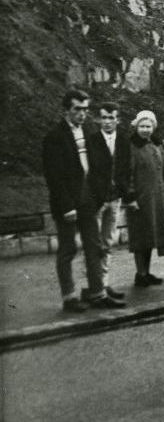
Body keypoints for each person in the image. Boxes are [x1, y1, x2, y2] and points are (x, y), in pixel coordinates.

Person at [41, 89, 124, 312]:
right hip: (67, 203)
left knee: (94, 247)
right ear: (66, 110)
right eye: (77, 109)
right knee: (68, 249)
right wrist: (67, 206)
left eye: (86, 109)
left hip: (89, 200)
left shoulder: (88, 131)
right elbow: (54, 177)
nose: (82, 114)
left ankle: (97, 293)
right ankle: (69, 297)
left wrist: (99, 194)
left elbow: (98, 165)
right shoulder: (55, 137)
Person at [115, 110, 164, 286]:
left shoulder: (156, 145)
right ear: (136, 126)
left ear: (153, 127)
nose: (145, 130)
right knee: (141, 236)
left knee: (151, 236)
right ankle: (140, 274)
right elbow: (127, 173)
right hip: (140, 198)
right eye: (142, 126)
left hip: (156, 197)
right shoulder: (131, 146)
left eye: (148, 126)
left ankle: (146, 272)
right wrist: (130, 197)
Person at [92, 102, 126, 302]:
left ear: (117, 120)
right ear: (99, 119)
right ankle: (96, 288)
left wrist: (123, 191)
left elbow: (126, 168)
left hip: (115, 199)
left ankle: (103, 284)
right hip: (97, 201)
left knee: (107, 243)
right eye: (103, 117)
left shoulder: (122, 141)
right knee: (94, 244)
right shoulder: (92, 141)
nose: (107, 121)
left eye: (111, 118)